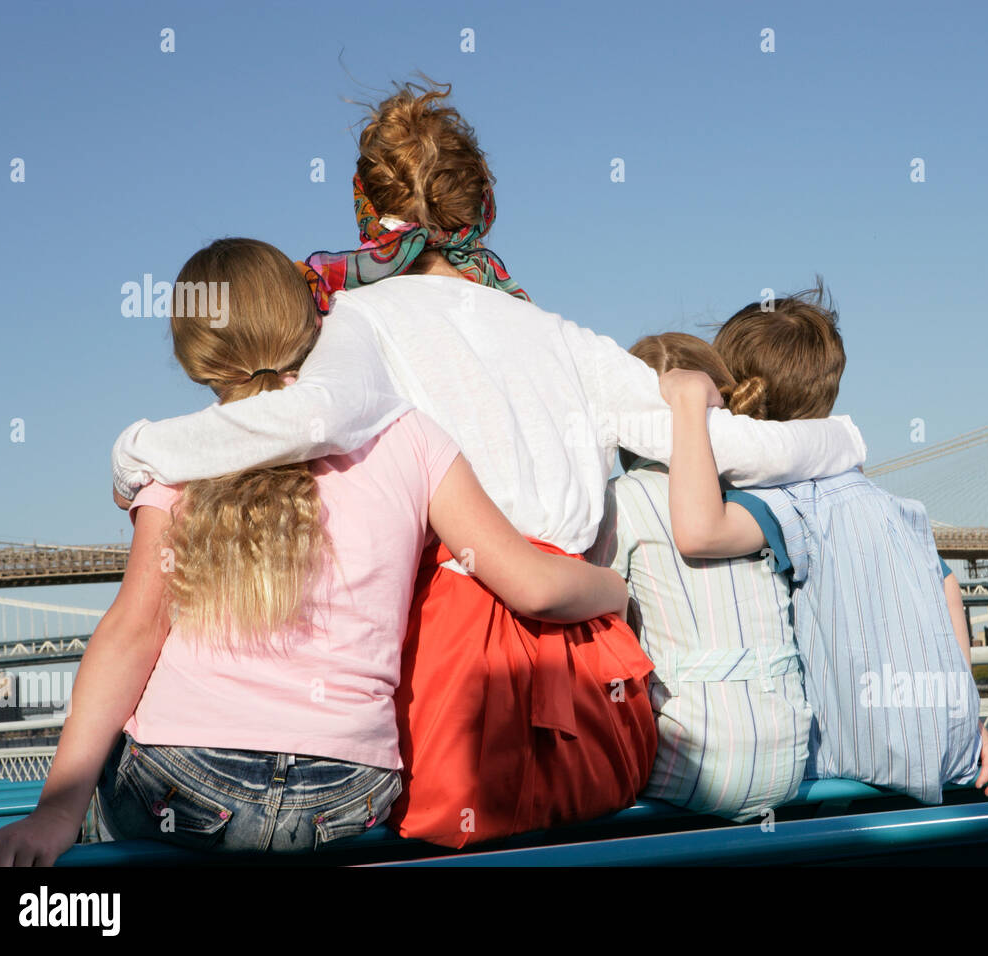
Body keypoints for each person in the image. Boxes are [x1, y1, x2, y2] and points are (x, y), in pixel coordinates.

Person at [104, 82, 870, 844]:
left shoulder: (358, 321)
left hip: (457, 681)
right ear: (481, 211)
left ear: (368, 210)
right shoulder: (559, 336)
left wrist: (141, 451)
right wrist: (845, 443)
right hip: (591, 673)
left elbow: (307, 419)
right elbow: (725, 441)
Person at [0, 238, 631, 866]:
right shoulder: (409, 434)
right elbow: (533, 587)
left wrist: (55, 814)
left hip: (187, 781)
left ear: (191, 355)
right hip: (348, 792)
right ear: (312, 324)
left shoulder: (177, 461)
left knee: (95, 819)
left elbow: (131, 633)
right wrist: (613, 588)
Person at [657, 284, 988, 804]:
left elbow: (699, 532)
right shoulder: (900, 510)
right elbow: (949, 592)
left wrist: (685, 405)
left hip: (849, 771)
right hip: (951, 756)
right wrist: (966, 727)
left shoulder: (791, 502)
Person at [588, 334, 811, 822]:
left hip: (689, 775)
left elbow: (597, 626)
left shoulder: (621, 499)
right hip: (789, 760)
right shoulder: (765, 495)